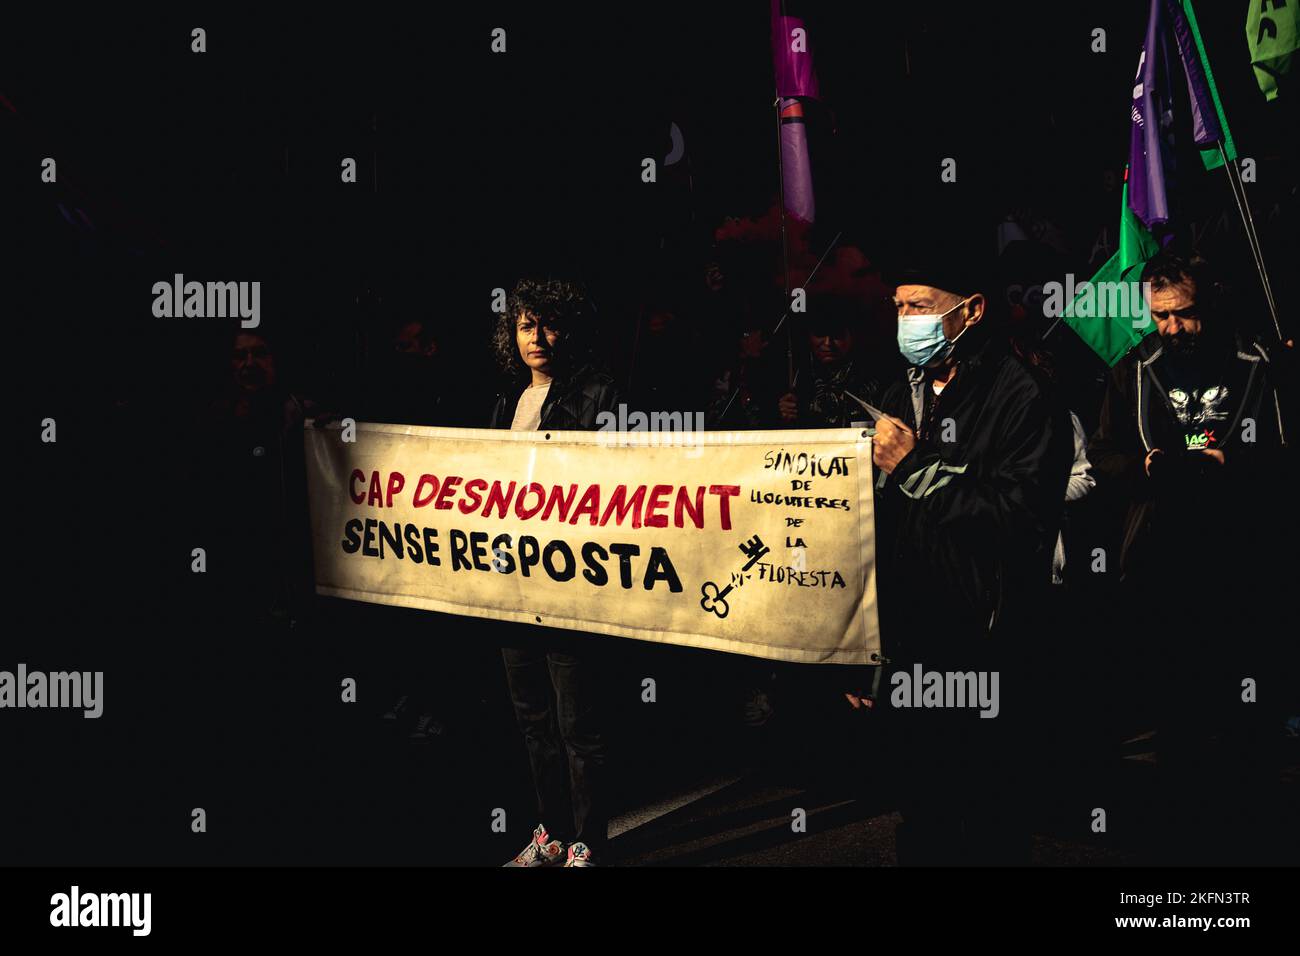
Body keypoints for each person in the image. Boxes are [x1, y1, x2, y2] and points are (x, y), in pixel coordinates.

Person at [844, 246, 1073, 865]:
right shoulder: (896, 389)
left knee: (989, 815)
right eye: (897, 307)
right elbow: (874, 533)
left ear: (971, 310)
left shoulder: (1024, 395)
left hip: (986, 640)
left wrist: (914, 467)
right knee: (922, 813)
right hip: (912, 637)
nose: (904, 320)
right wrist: (864, 649)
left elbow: (1016, 521)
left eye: (919, 306)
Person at [1087, 249, 1294, 832]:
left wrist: (1236, 462)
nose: (1171, 328)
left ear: (1211, 301)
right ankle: (1182, 826)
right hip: (1161, 554)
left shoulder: (1259, 359)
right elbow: (1103, 455)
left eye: (1183, 314)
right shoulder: (1134, 368)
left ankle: (1248, 828)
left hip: (1244, 554)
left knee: (1243, 705)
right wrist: (1146, 467)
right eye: (1159, 316)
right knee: (1174, 705)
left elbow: (1286, 452)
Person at [491, 277, 620, 867]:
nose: (537, 337)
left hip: (572, 583)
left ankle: (588, 844)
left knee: (580, 726)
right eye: (525, 325)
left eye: (548, 324)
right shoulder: (505, 401)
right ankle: (549, 836)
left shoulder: (601, 393)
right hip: (516, 583)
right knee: (532, 721)